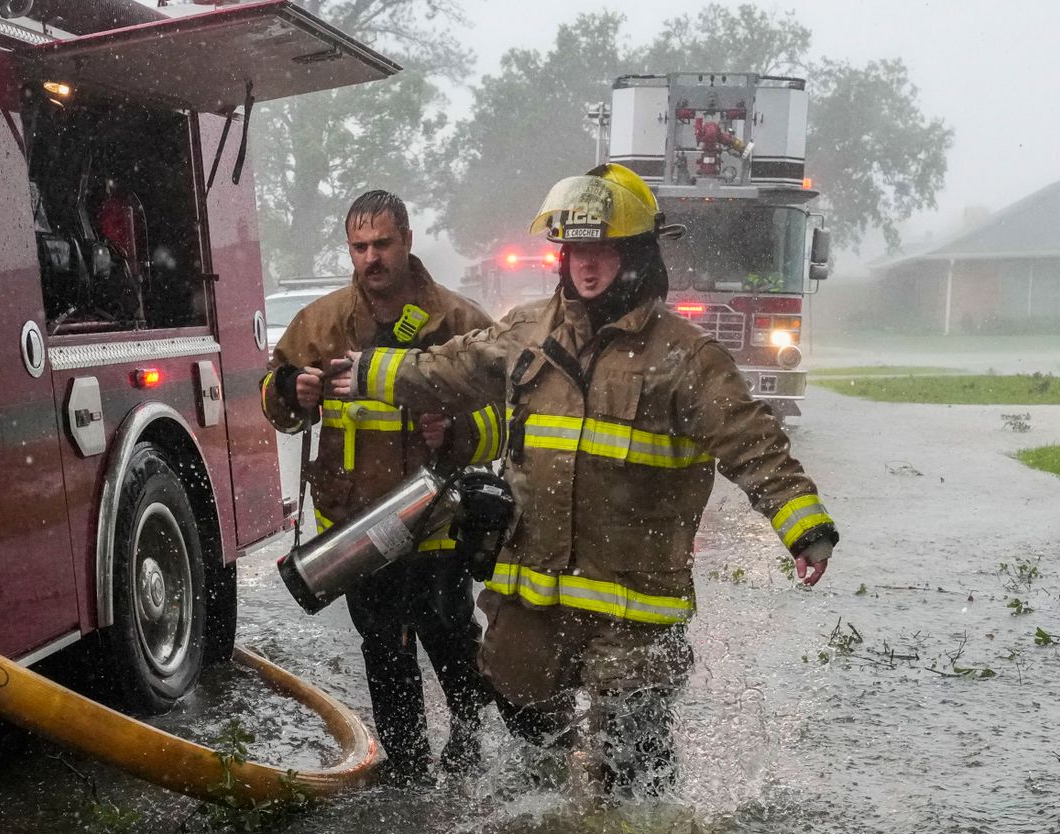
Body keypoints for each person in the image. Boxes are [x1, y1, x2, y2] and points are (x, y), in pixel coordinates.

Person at [314, 164, 838, 792]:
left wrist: (803, 525)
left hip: (632, 604)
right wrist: (372, 372)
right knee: (532, 745)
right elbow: (454, 368)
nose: (586, 267)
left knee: (630, 773)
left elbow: (753, 442)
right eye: (575, 251)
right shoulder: (530, 332)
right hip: (536, 600)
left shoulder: (686, 358)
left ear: (637, 253)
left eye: (603, 252)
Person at [263, 191, 503, 778]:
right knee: (383, 645)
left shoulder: (459, 323)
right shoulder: (319, 325)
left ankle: (470, 743)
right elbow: (276, 405)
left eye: (382, 244)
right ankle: (408, 766)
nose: (371, 257)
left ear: (408, 240)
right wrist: (291, 391)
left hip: (437, 519)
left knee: (447, 633)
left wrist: (457, 427)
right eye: (359, 246)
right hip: (357, 527)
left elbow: (509, 420)